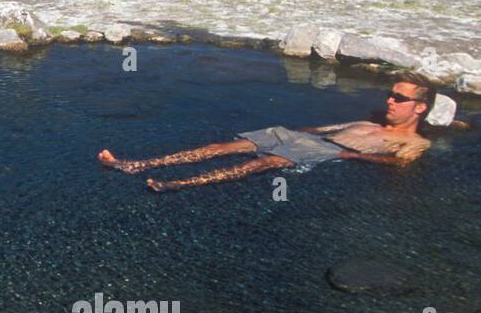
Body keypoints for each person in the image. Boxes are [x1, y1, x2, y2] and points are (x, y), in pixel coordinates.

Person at [98, 75, 435, 192]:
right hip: (305, 138)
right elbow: (326, 128)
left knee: (259, 164)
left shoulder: (415, 142)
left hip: (329, 152)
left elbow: (399, 165)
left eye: (399, 98)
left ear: (419, 108)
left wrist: (350, 155)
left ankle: (178, 184)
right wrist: (291, 131)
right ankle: (137, 164)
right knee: (222, 146)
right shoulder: (371, 121)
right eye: (391, 94)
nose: (390, 100)